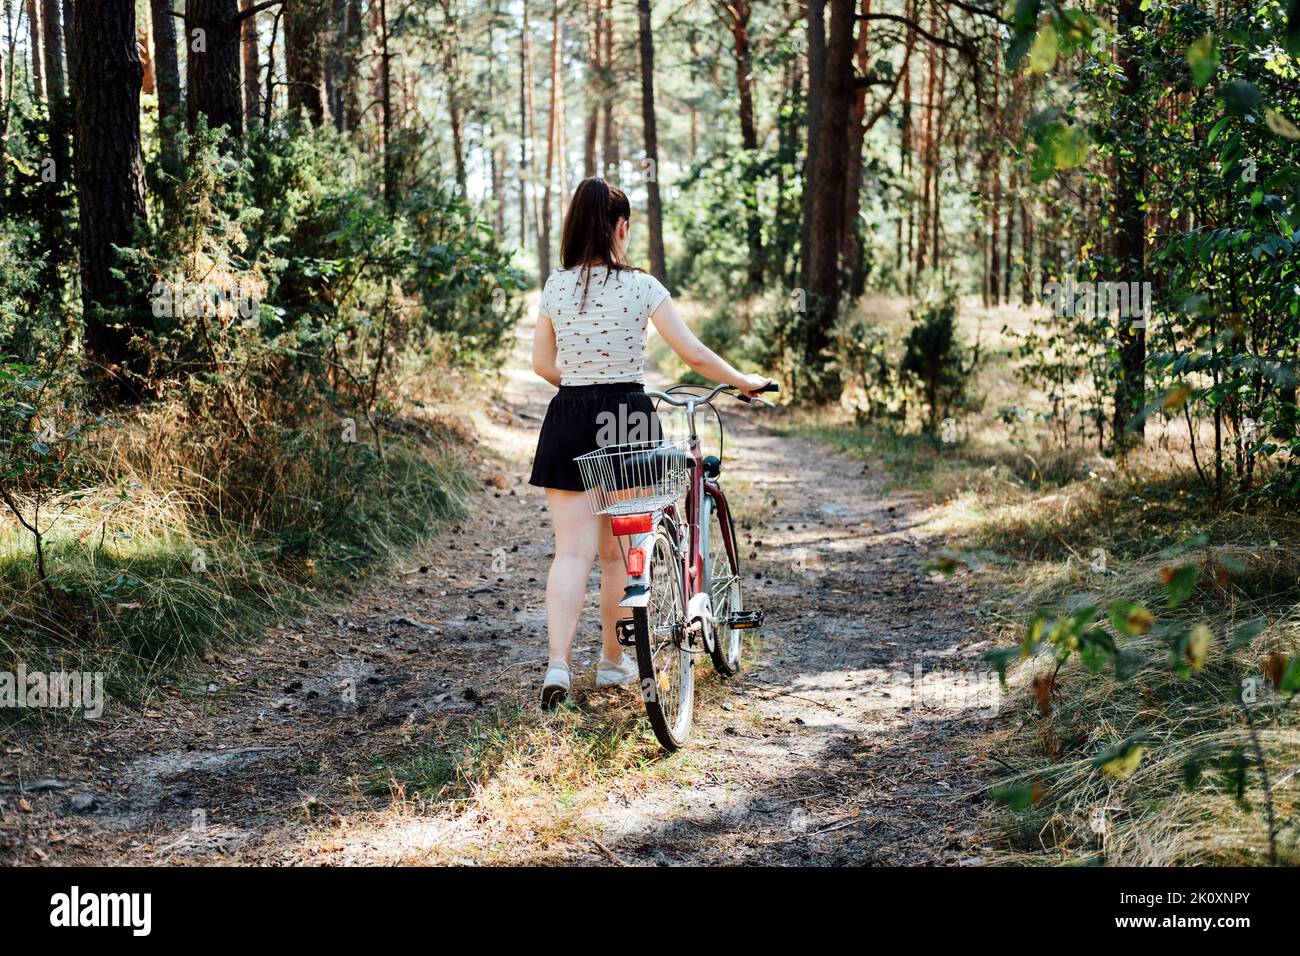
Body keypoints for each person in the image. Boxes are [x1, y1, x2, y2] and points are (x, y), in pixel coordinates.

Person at [528, 177, 770, 707]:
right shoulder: (642, 287)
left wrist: (579, 390)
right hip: (626, 419)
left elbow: (543, 364)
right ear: (620, 227)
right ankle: (613, 664)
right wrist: (743, 381)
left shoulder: (555, 286)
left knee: (570, 553)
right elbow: (695, 356)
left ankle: (558, 666)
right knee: (618, 555)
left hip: (568, 416)